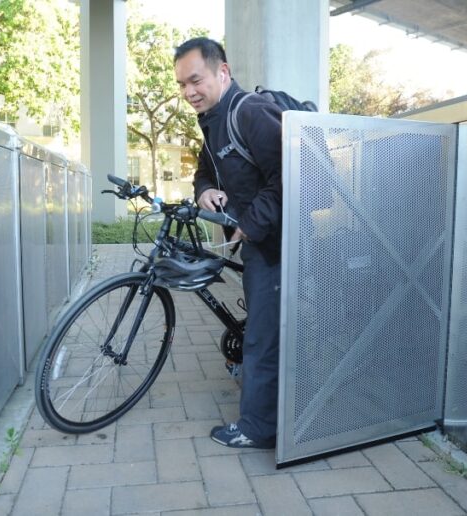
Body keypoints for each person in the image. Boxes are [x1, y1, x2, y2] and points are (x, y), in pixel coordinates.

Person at [174, 37, 283, 449]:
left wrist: (251, 224)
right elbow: (206, 169)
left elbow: (291, 174)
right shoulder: (212, 120)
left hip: (278, 243)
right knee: (262, 326)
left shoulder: (250, 112)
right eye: (182, 85)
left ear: (223, 72)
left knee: (263, 334)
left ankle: (259, 428)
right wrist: (205, 191)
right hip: (258, 240)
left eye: (195, 80)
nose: (189, 92)